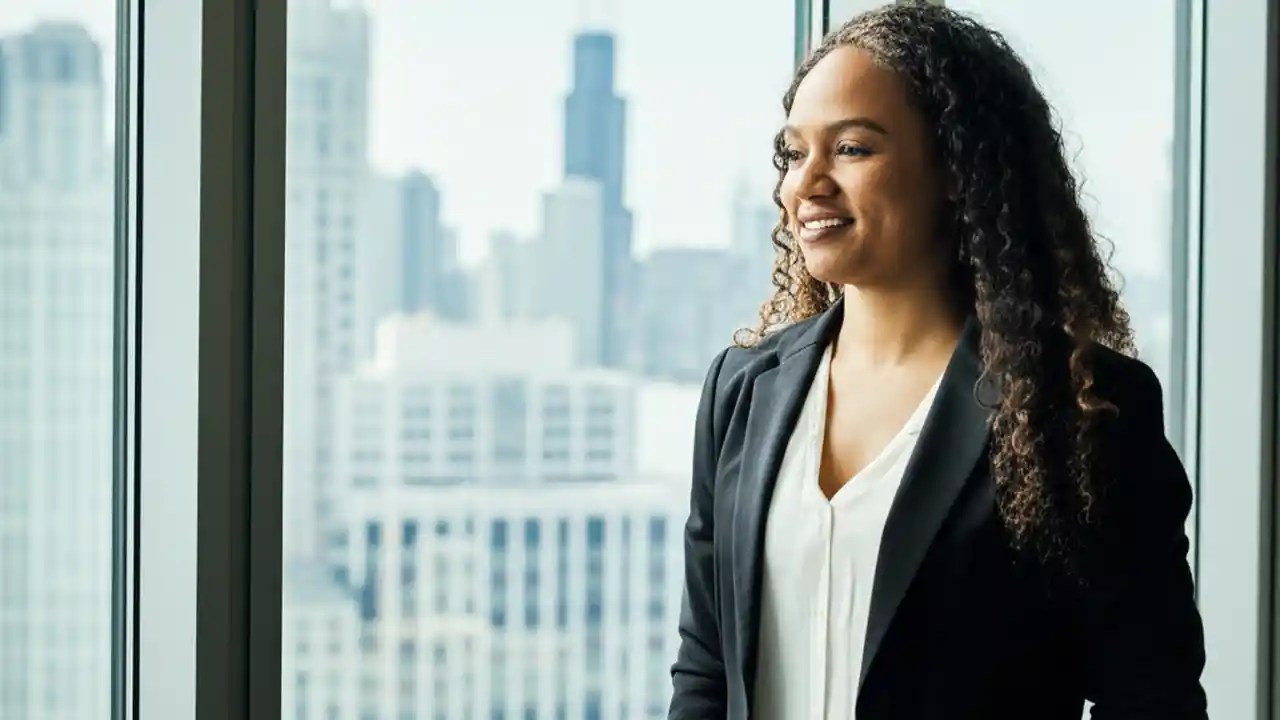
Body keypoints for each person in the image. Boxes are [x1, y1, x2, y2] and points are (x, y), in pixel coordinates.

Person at [667, 4, 1208, 719]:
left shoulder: (1082, 406)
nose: (807, 184)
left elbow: (1150, 699)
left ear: (956, 167)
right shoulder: (741, 391)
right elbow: (705, 672)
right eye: (793, 154)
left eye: (852, 149)